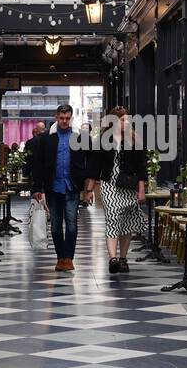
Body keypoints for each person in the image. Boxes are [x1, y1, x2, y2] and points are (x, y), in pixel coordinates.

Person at [29, 103, 92, 271]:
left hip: (72, 186)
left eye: (67, 118)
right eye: (62, 118)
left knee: (71, 223)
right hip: (53, 187)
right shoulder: (45, 138)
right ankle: (60, 257)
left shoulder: (80, 137)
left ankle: (69, 258)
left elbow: (90, 163)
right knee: (56, 225)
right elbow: (38, 164)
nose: (65, 121)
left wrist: (88, 189)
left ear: (71, 118)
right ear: (56, 117)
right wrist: (36, 188)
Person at [90, 107, 147, 274]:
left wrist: (141, 189)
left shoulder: (135, 140)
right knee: (113, 217)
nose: (126, 123)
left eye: (128, 120)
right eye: (123, 120)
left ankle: (123, 258)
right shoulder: (102, 140)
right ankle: (112, 258)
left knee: (127, 223)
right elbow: (95, 166)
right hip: (109, 184)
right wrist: (90, 189)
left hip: (128, 185)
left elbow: (141, 167)